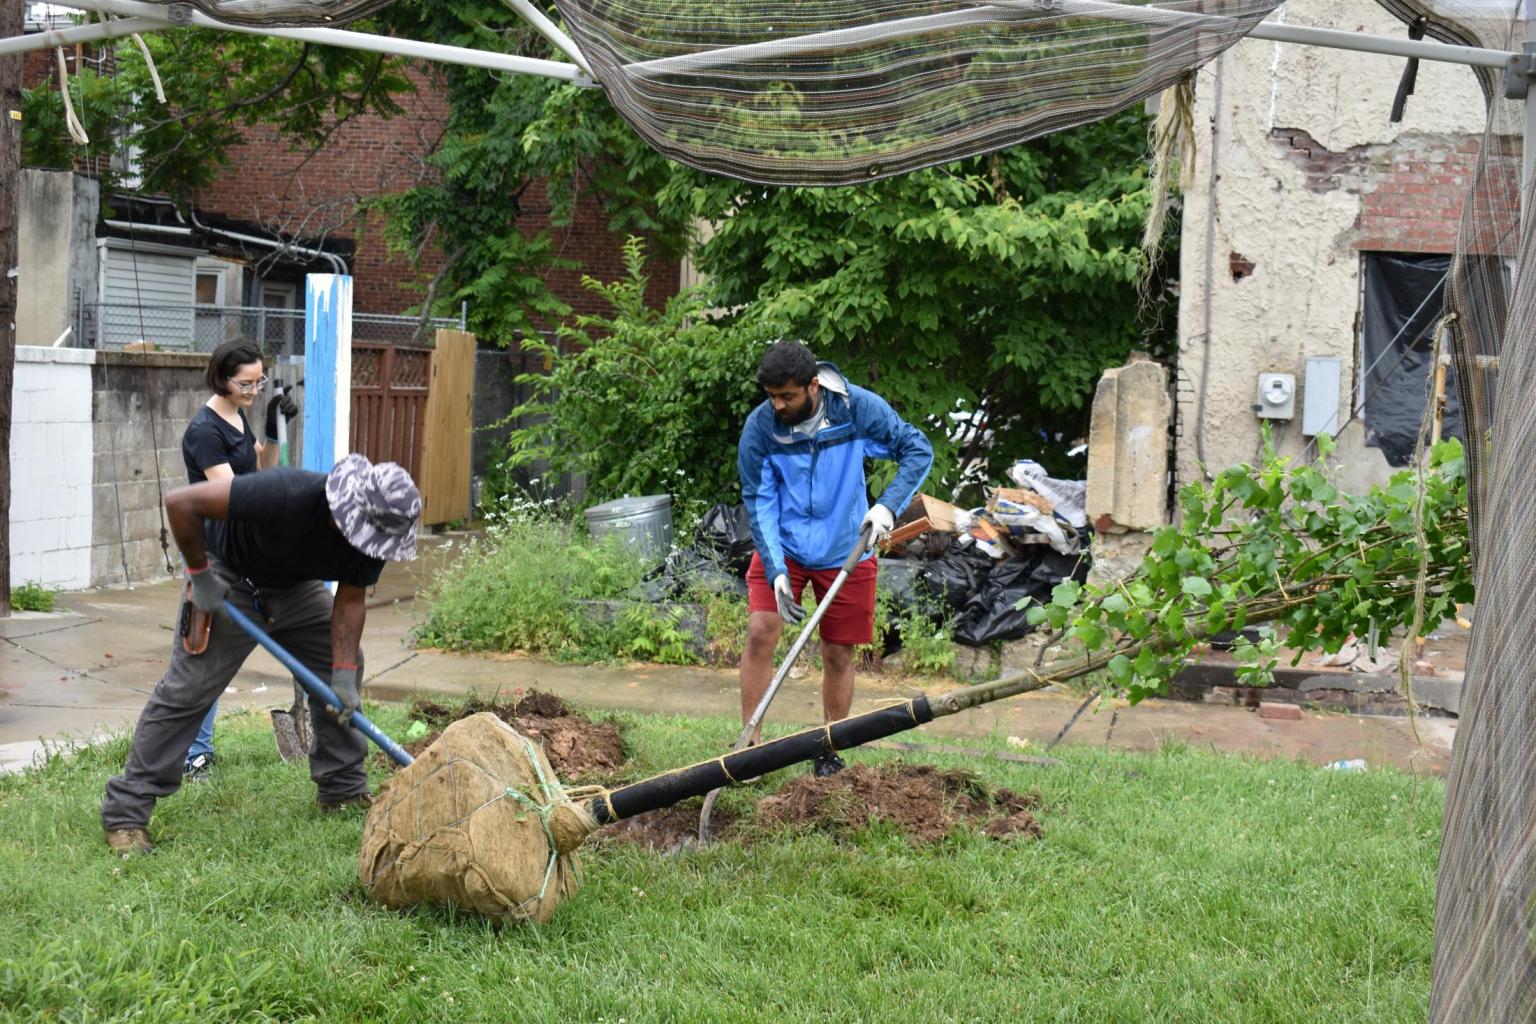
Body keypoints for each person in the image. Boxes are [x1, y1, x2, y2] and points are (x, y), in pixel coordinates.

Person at [101, 453, 421, 856]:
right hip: (227, 577)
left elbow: (351, 598)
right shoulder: (286, 493)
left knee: (344, 671)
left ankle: (342, 789)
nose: (369, 548)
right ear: (344, 511)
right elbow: (182, 502)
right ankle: (126, 813)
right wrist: (200, 576)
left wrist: (340, 672)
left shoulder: (374, 536)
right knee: (188, 690)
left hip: (294, 588)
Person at [736, 340, 933, 776]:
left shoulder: (855, 409)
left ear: (812, 385)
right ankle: (748, 746)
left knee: (838, 653)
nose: (779, 405)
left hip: (848, 545)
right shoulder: (762, 428)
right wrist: (776, 572)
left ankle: (829, 747)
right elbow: (759, 501)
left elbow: (917, 449)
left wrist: (888, 505)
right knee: (760, 632)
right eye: (771, 396)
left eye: (787, 395)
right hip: (785, 544)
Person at [178, 338, 298, 781]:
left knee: (223, 650)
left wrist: (269, 429)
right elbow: (235, 495)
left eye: (259, 381)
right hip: (212, 555)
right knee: (202, 651)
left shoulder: (236, 414)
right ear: (222, 379)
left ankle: (194, 746)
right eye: (246, 384)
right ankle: (194, 754)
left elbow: (261, 471)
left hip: (243, 549)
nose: (253, 389)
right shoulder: (204, 432)